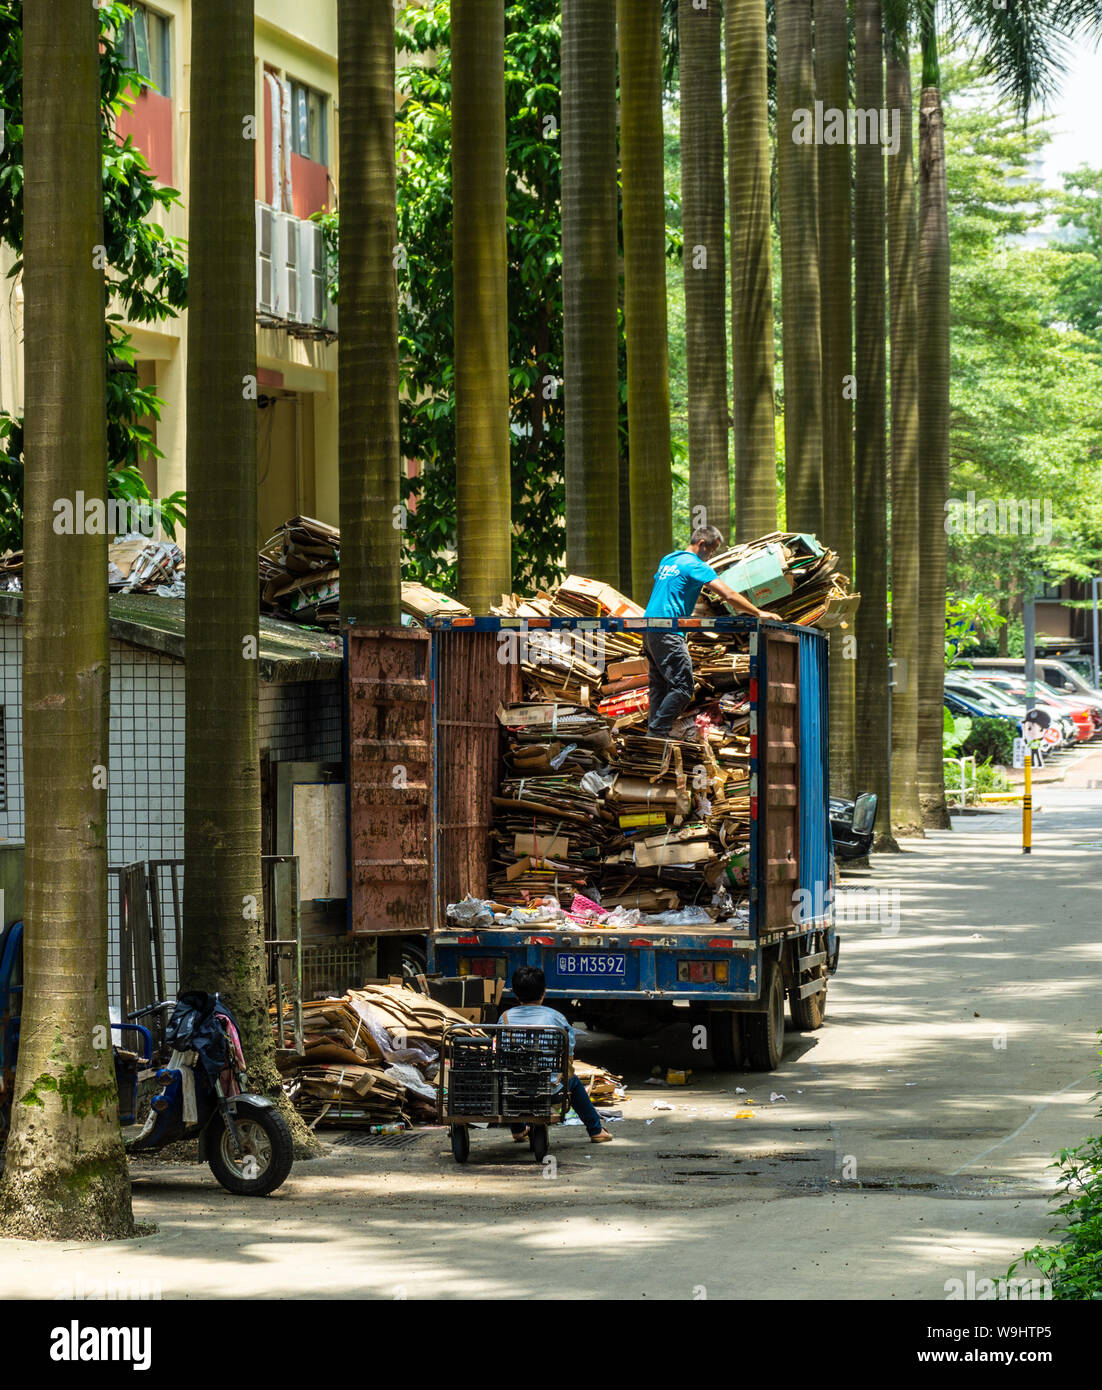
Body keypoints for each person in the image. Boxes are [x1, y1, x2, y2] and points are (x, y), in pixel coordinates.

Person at [642, 525, 779, 738]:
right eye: (712, 551)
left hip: (649, 631)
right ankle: (656, 732)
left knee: (660, 686)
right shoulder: (696, 566)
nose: (710, 557)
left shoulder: (668, 559)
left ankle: (653, 738)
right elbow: (728, 594)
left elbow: (671, 589)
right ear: (702, 544)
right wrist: (758, 612)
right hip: (669, 632)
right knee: (683, 687)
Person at [500, 966, 612, 1144]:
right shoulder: (556, 1018)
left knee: (512, 1075)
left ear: (515, 993)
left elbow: (502, 1052)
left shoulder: (505, 1017)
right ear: (543, 992)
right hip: (551, 1088)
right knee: (573, 1081)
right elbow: (569, 1050)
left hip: (513, 1089)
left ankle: (519, 1130)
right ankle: (596, 1130)